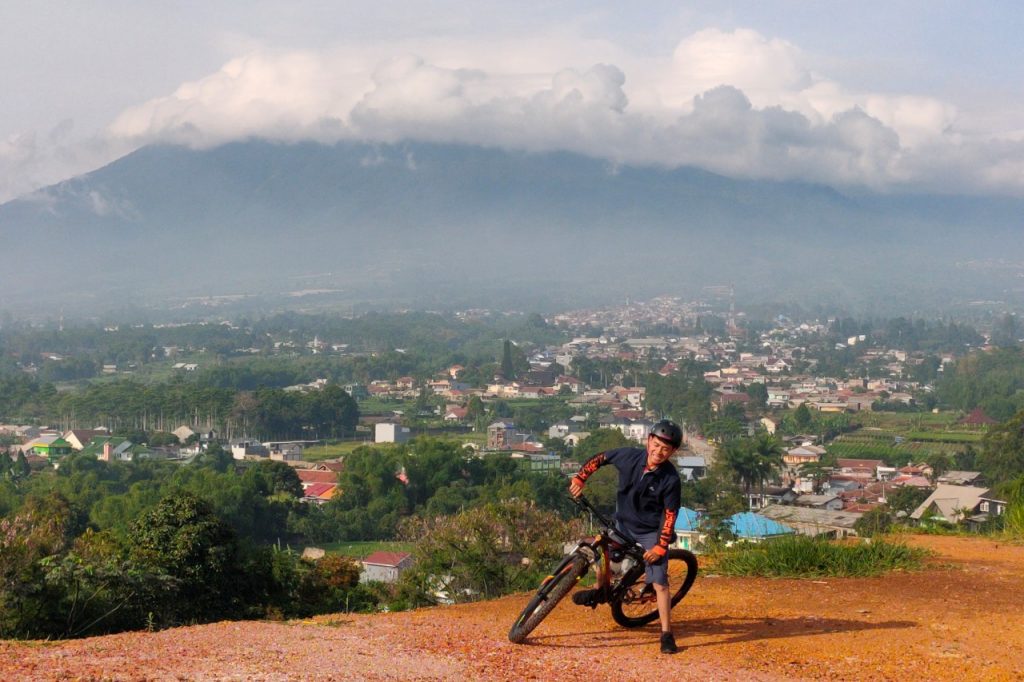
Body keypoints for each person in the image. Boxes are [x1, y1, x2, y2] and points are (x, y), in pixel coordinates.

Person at [568, 419, 683, 654]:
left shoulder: (670, 479)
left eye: (666, 449)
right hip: (623, 523)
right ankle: (602, 591)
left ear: (673, 452)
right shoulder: (629, 456)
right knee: (602, 553)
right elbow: (602, 458)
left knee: (660, 583)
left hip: (651, 531)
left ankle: (667, 634)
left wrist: (661, 546)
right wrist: (581, 478)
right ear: (648, 440)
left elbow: (670, 514)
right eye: (656, 444)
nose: (659, 452)